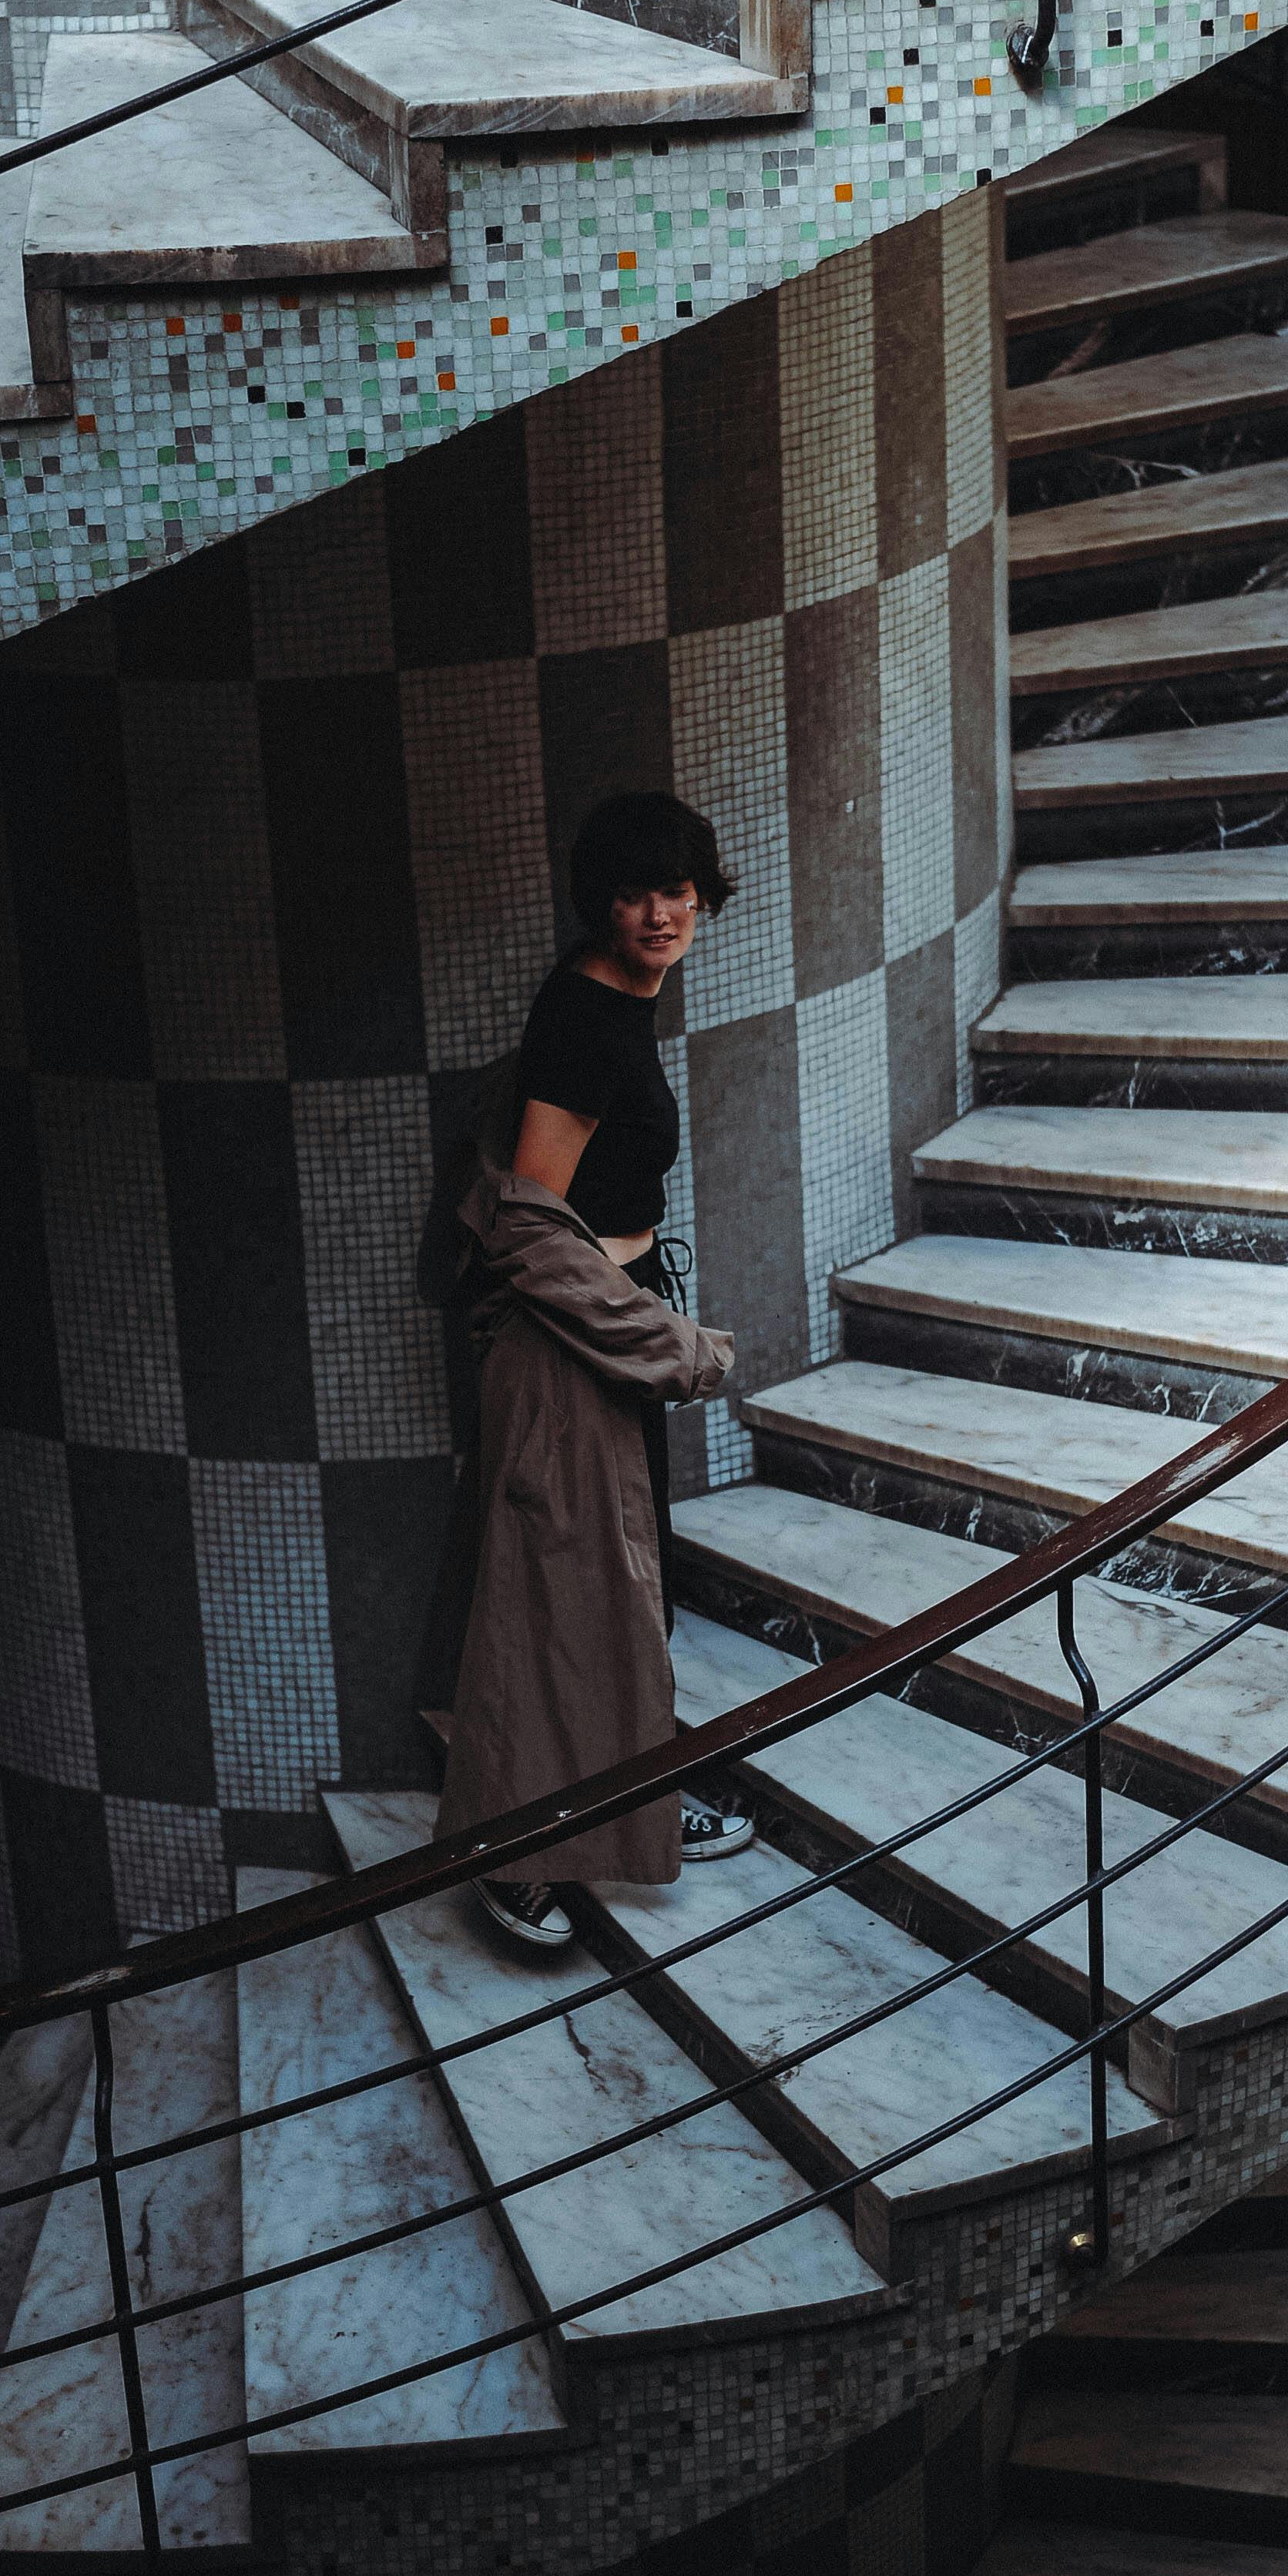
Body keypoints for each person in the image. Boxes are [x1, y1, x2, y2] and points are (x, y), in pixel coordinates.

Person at [433, 792, 757, 1957]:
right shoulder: (583, 1019)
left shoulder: (622, 992)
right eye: (635, 892)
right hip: (568, 1346)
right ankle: (511, 1865)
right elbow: (525, 1224)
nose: (662, 911)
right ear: (600, 904)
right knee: (553, 1601)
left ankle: (638, 1801)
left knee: (615, 1596)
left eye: (677, 888)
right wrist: (663, 1341)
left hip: (604, 1329)